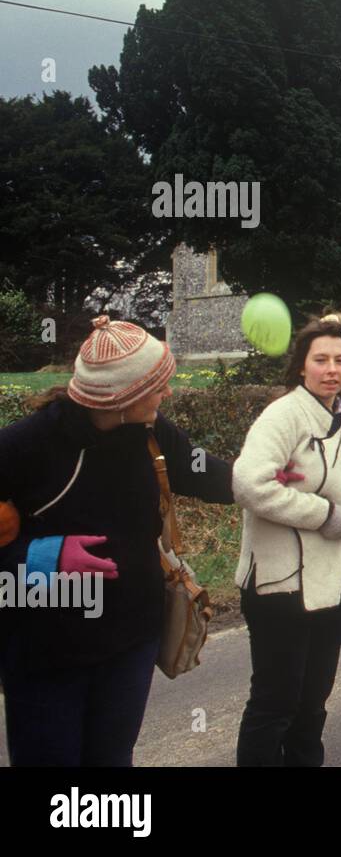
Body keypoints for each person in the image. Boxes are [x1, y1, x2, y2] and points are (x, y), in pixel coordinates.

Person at [0, 316, 233, 766]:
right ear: (120, 397)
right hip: (47, 649)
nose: (167, 394)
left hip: (131, 639)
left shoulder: (147, 430)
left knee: (112, 760)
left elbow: (199, 470)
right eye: (158, 387)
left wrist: (268, 481)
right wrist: (43, 556)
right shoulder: (30, 444)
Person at [232, 316, 341, 766]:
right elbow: (248, 483)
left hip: (331, 584)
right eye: (320, 359)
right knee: (275, 703)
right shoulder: (283, 415)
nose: (331, 369)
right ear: (301, 366)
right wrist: (322, 514)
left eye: (340, 360)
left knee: (313, 704)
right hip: (279, 586)